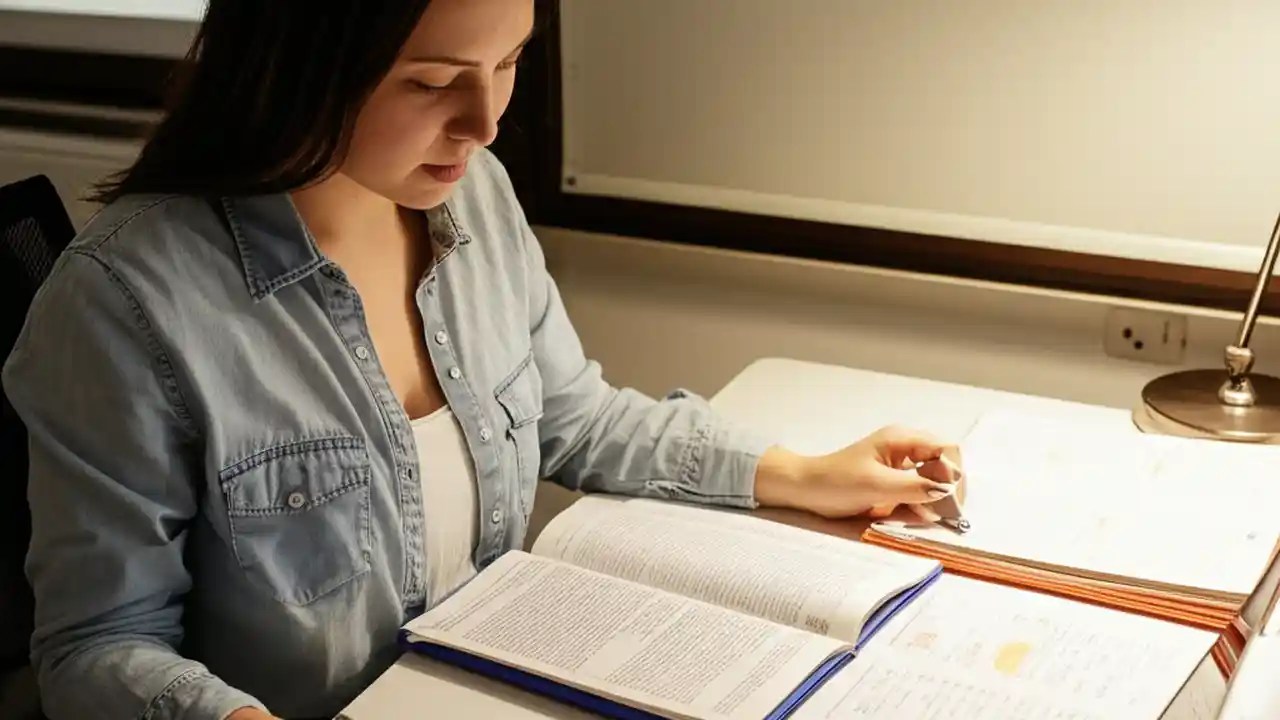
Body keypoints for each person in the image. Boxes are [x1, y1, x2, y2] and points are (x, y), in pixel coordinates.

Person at [1, 0, 964, 718]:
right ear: (295, 65)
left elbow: (576, 417)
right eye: (429, 83)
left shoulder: (476, 194)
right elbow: (96, 645)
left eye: (508, 62)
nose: (487, 121)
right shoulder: (123, 305)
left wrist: (799, 472)